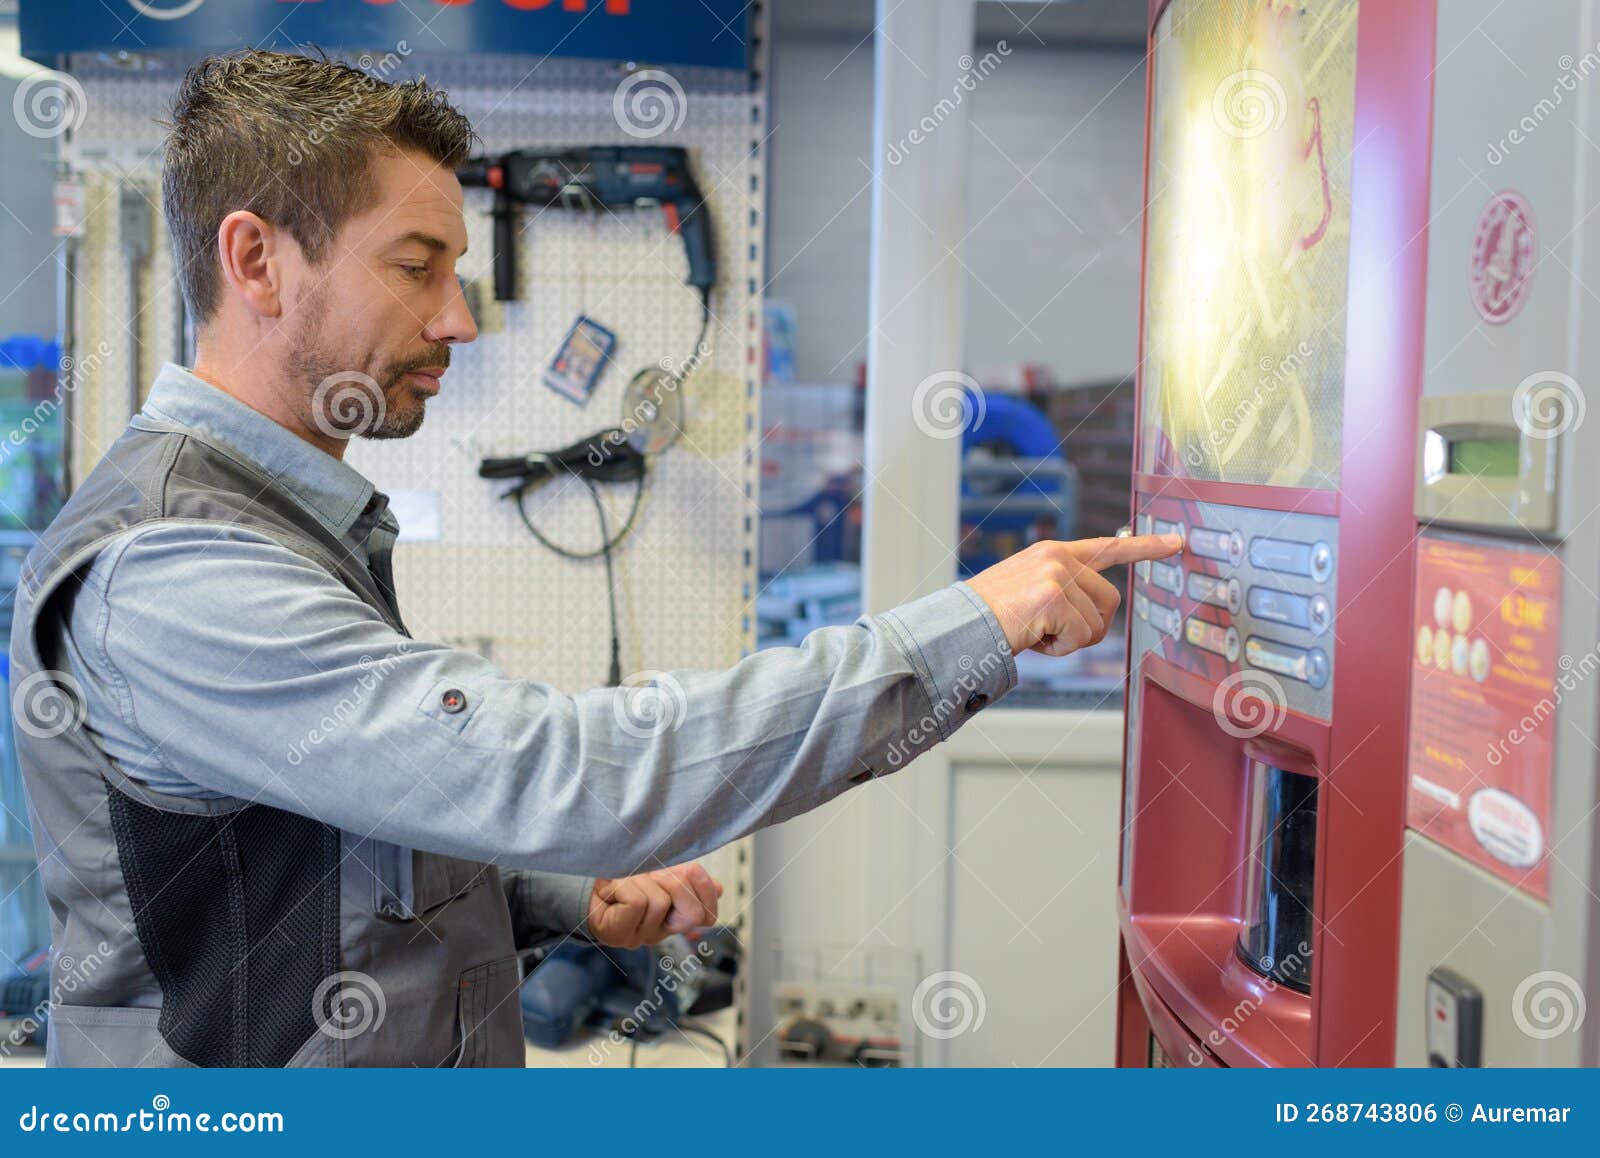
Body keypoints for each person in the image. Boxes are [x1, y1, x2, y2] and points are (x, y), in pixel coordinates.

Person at [10, 51, 1181, 1068]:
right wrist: (968, 621)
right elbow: (558, 772)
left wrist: (548, 893)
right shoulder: (168, 574)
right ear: (257, 261)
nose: (458, 318)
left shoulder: (286, 518)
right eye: (416, 265)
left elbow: (322, 836)